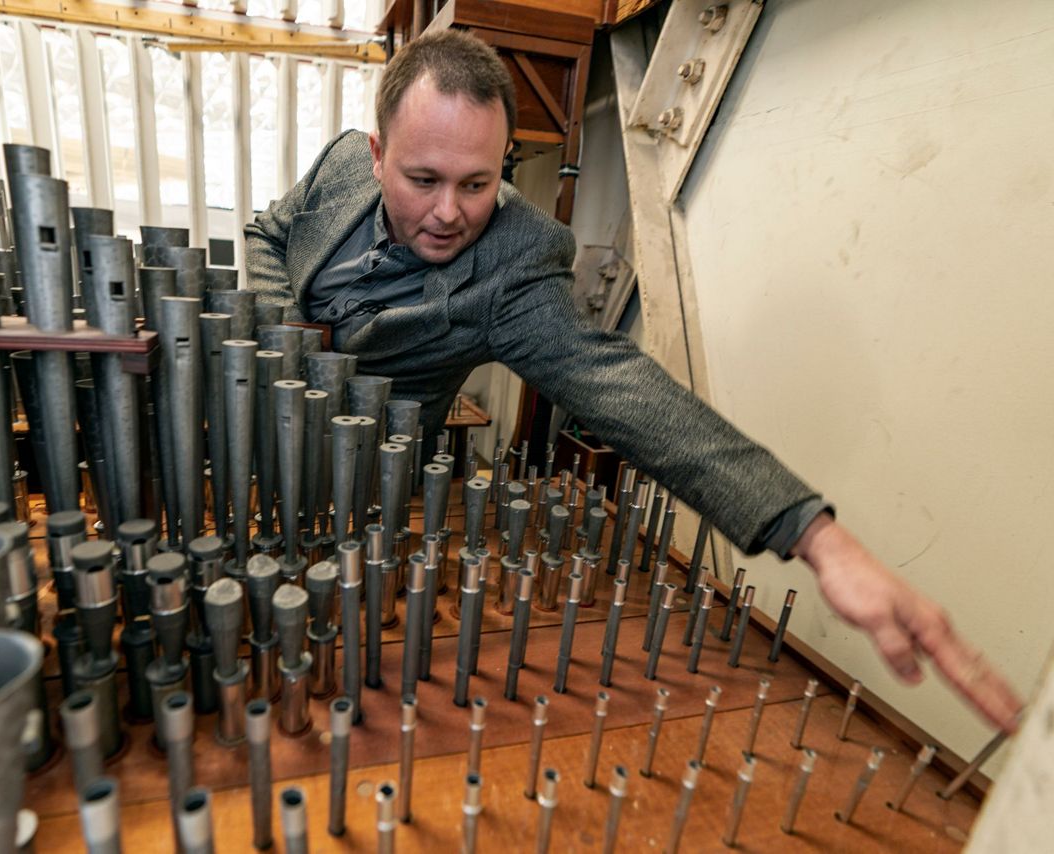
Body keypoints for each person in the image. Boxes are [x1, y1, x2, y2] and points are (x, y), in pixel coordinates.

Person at [245, 30, 1021, 730]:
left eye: (477, 184)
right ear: (378, 155)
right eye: (422, 179)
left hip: (364, 498)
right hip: (252, 440)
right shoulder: (343, 162)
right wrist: (285, 340)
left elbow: (623, 387)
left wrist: (818, 538)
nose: (450, 212)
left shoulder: (513, 263)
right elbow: (269, 232)